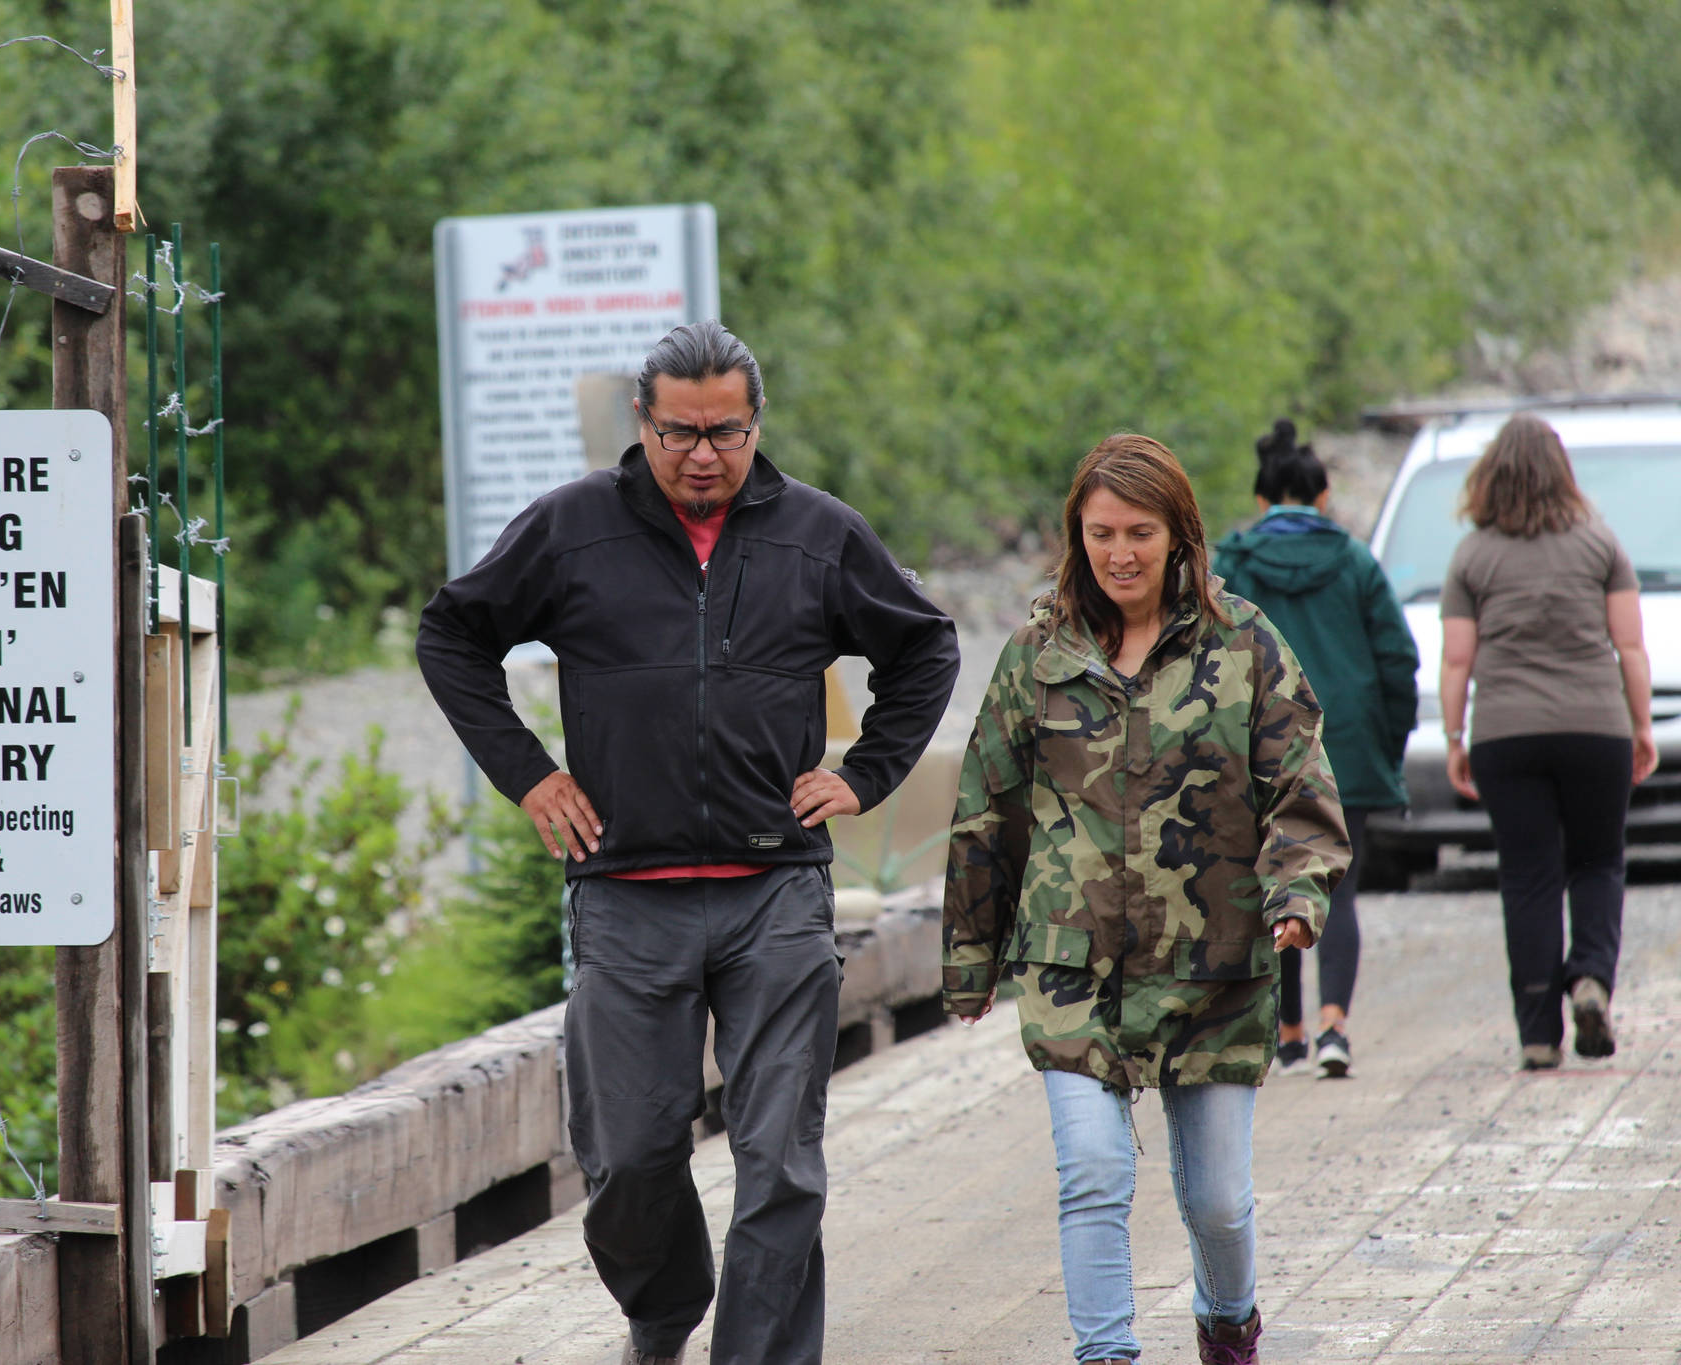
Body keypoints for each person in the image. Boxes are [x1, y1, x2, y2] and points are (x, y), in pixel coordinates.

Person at [417, 319, 959, 1365]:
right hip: (626, 894)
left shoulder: (817, 534)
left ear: (755, 425)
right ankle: (662, 1314)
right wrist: (529, 775)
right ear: (641, 421)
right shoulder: (573, 530)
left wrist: (861, 777)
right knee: (626, 1159)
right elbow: (452, 633)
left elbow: (924, 644)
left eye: (725, 432)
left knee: (780, 1165)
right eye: (679, 433)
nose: (702, 455)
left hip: (775, 894)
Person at [943, 433, 1348, 1365]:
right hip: (1073, 966)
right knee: (1091, 1172)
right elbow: (985, 812)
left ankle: (1227, 1317)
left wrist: (1296, 893)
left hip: (1215, 967)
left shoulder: (1244, 644)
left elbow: (1302, 786)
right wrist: (971, 958)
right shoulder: (1036, 656)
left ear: (1180, 537)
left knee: (1217, 1201)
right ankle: (1106, 1352)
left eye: (1139, 532)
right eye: (1099, 533)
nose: (1119, 553)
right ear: (1074, 536)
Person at [1439, 412, 1658, 1071]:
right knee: (1596, 861)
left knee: (1527, 875)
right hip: (1595, 726)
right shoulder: (1600, 542)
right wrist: (1642, 724)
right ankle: (1590, 975)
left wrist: (1456, 736)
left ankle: (1538, 1031)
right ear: (1563, 474)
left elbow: (1456, 660)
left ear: (1492, 477)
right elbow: (1629, 646)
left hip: (1507, 732)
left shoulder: (1472, 553)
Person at [1214, 419, 1418, 1078]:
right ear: (1324, 496)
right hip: (1344, 746)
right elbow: (1396, 658)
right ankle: (1334, 1025)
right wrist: (1388, 743)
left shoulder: (1235, 563)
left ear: (1262, 500)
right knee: (1340, 888)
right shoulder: (1356, 561)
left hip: (1253, 750)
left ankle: (1289, 1030)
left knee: (1269, 885)